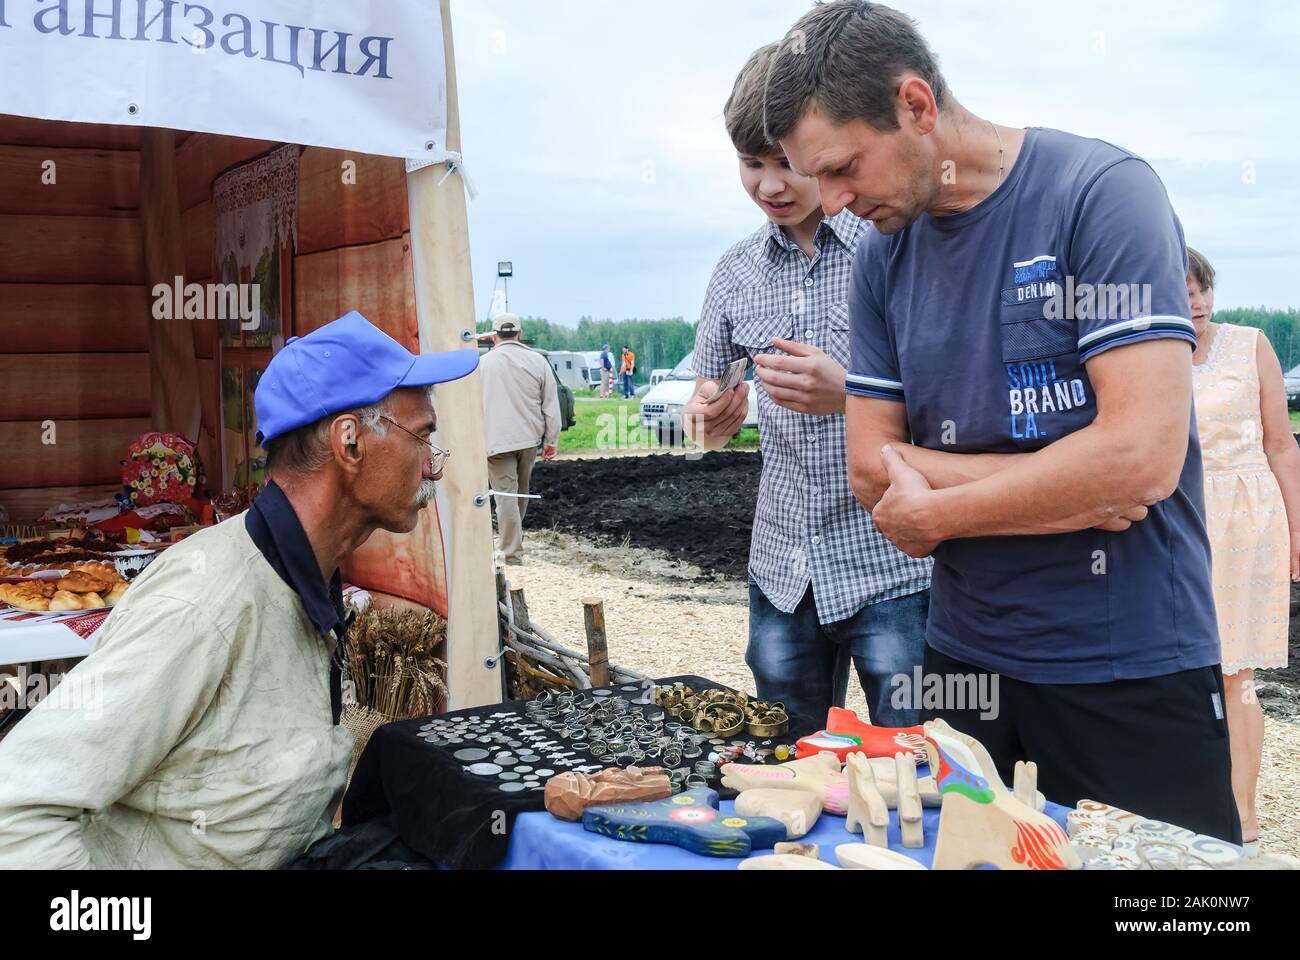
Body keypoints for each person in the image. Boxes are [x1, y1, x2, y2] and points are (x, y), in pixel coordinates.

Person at [764, 0, 1238, 840]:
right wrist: (1072, 480)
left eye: (843, 169)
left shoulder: (1099, 195)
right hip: (964, 661)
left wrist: (942, 507)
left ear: (915, 105)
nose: (831, 204)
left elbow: (1139, 460)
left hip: (1124, 659)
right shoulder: (884, 256)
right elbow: (872, 471)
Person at [0, 311, 478, 868]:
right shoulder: (203, 605)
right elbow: (16, 815)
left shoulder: (303, 576)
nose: (434, 468)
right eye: (422, 437)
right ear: (349, 442)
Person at [683, 44, 931, 726]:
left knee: (909, 768)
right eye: (751, 164)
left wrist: (850, 394)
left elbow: (956, 407)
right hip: (783, 567)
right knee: (784, 763)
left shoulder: (900, 248)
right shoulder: (734, 272)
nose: (769, 185)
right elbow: (704, 398)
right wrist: (707, 418)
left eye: (786, 163)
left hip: (893, 563)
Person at [1186, 247, 1299, 853]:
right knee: (1178, 673)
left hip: (1248, 517)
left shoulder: (1251, 343)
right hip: (1178, 520)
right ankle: (1184, 807)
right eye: (1179, 292)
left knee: (1238, 674)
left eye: (1200, 288)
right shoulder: (1150, 359)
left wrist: (1298, 530)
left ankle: (1243, 818)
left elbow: (1282, 445)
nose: (1195, 301)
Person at [480, 313, 561, 565]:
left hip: (494, 441)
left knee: (505, 497)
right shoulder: (537, 361)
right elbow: (551, 404)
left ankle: (511, 553)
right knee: (520, 494)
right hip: (528, 440)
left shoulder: (482, 364)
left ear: (494, 336)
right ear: (520, 333)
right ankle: (513, 543)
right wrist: (551, 440)